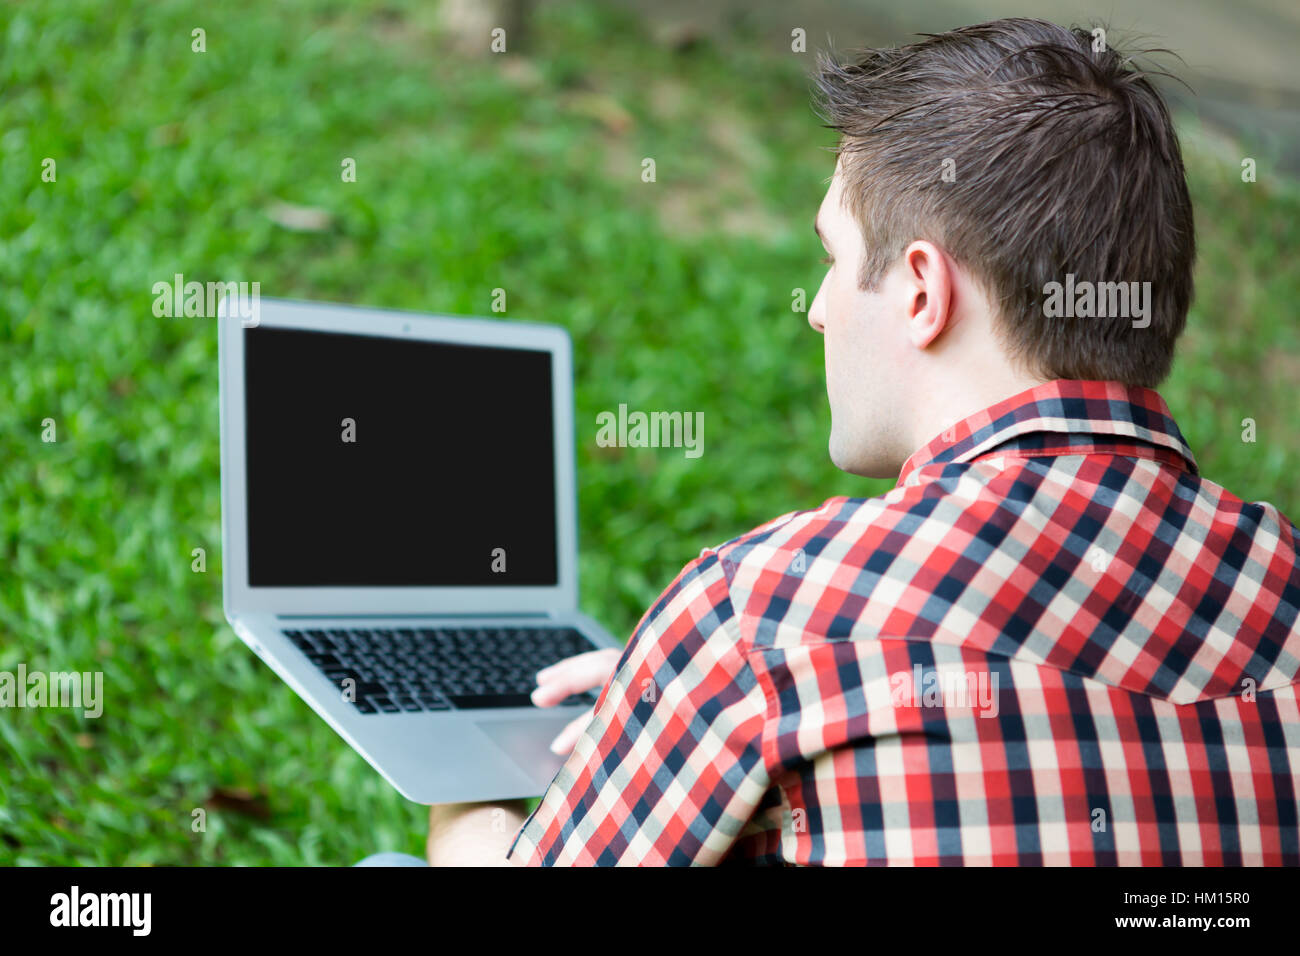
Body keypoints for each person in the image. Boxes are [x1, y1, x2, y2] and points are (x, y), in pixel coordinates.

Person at [424, 18, 1300, 866]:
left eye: (833, 259)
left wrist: (462, 781)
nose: (814, 308)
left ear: (922, 292)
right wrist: (675, 706)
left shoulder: (760, 618)